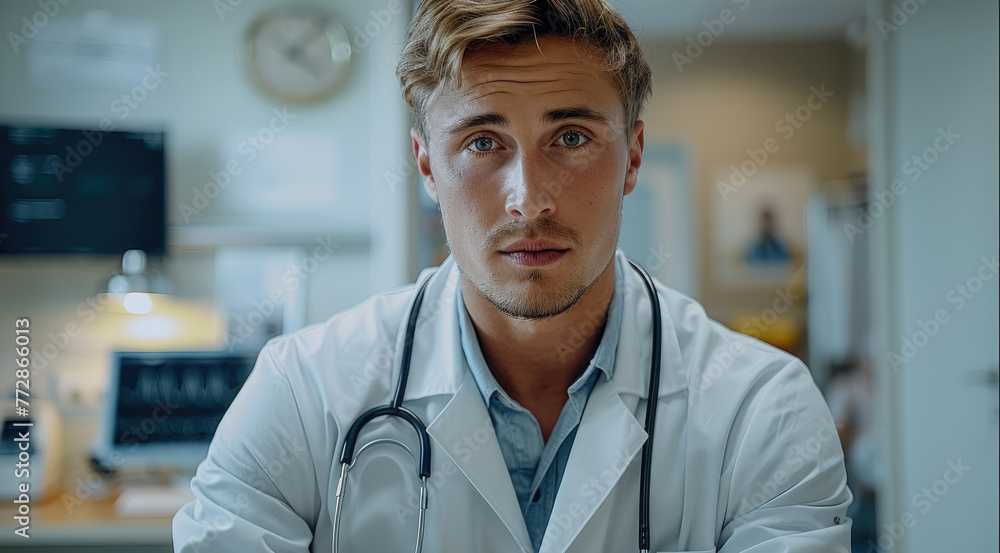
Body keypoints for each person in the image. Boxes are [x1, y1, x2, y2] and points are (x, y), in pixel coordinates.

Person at [172, 1, 852, 551]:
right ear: (428, 168)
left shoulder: (760, 409)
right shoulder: (302, 392)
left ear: (634, 156)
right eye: (482, 142)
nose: (529, 198)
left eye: (572, 138)